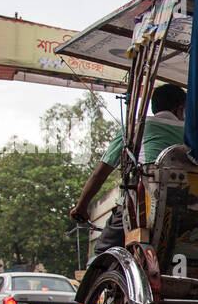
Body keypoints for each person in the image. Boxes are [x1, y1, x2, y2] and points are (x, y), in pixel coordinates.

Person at [70, 84, 187, 256]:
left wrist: (81, 207)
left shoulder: (136, 128)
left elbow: (101, 172)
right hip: (182, 207)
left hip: (139, 208)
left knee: (103, 253)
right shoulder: (190, 132)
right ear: (180, 109)